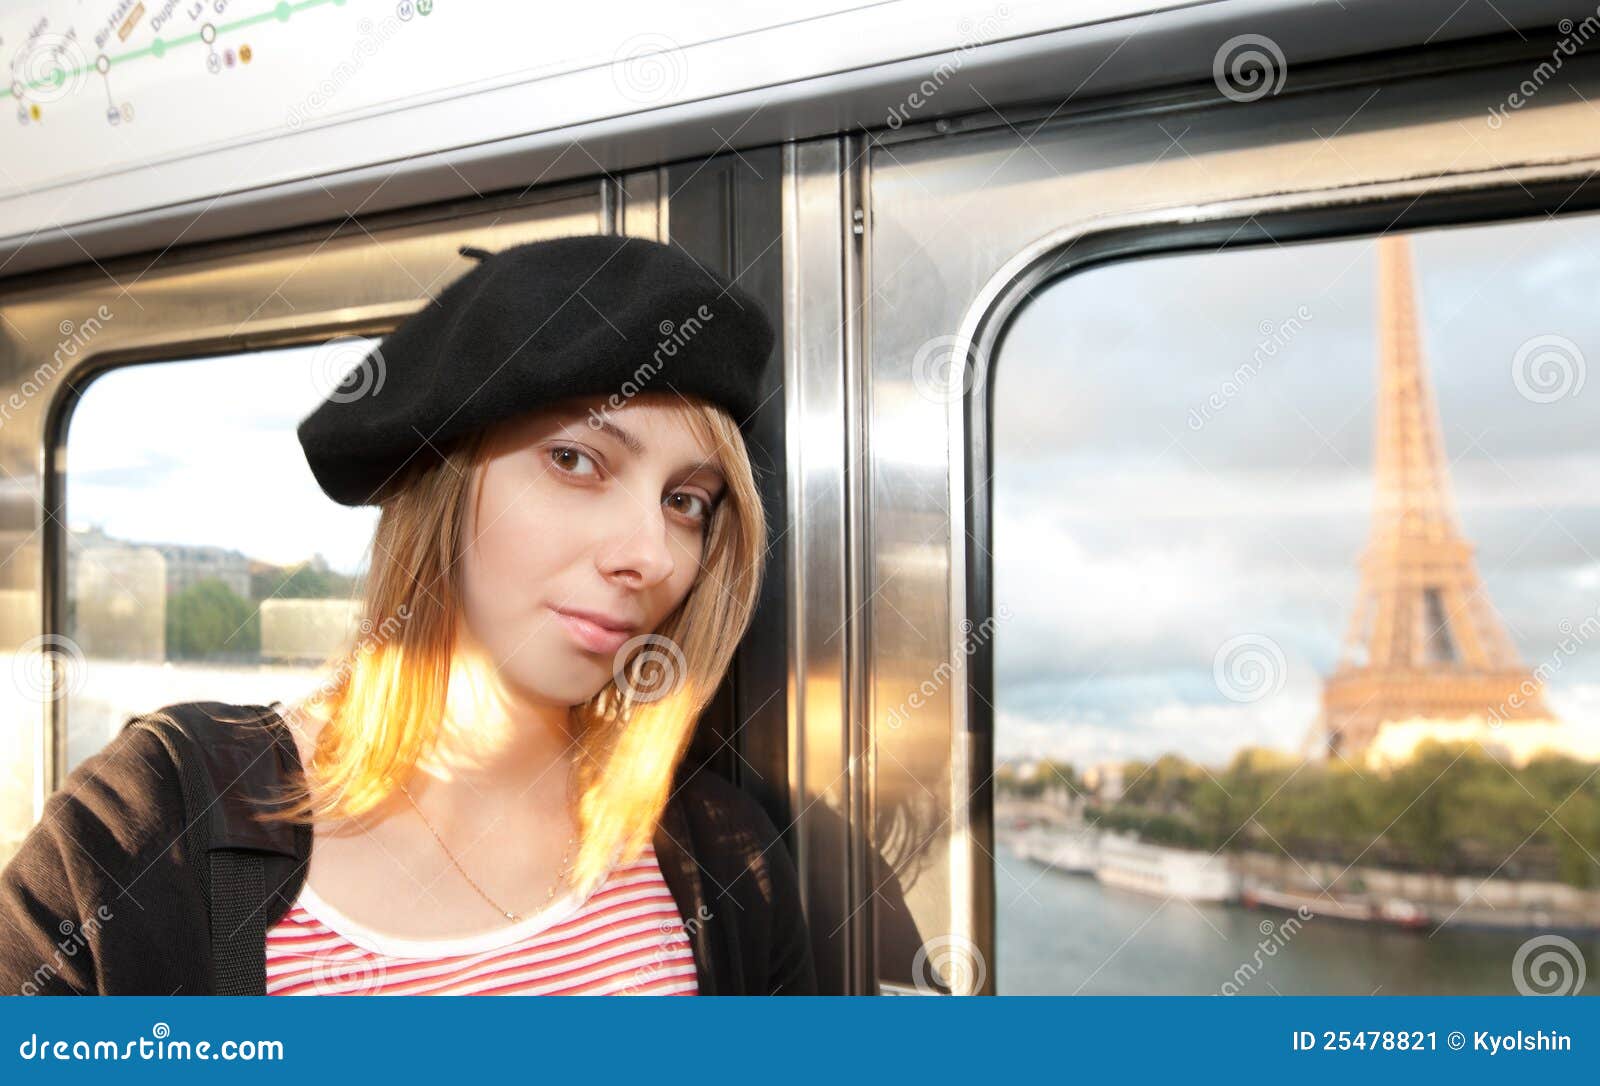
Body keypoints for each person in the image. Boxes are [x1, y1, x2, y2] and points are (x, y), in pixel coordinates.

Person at [0, 235, 817, 996]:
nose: (653, 554)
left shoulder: (724, 860)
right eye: (575, 460)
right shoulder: (151, 822)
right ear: (445, 486)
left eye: (686, 501)